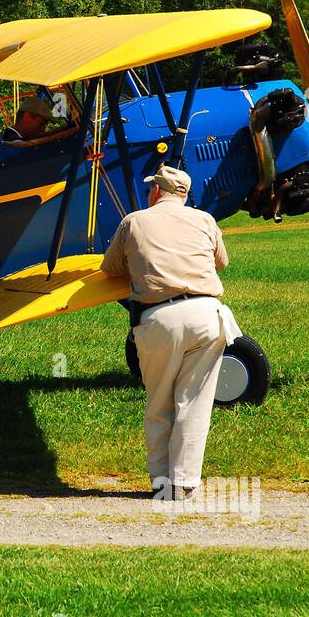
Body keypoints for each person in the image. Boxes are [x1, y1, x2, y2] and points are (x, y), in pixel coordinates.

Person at [100, 164, 240, 499]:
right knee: (194, 404)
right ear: (185, 194)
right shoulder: (205, 220)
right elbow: (222, 261)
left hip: (158, 318)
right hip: (207, 315)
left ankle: (161, 484)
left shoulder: (133, 221)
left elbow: (110, 269)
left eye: (152, 188)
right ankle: (185, 485)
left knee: (159, 403)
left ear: (157, 191)